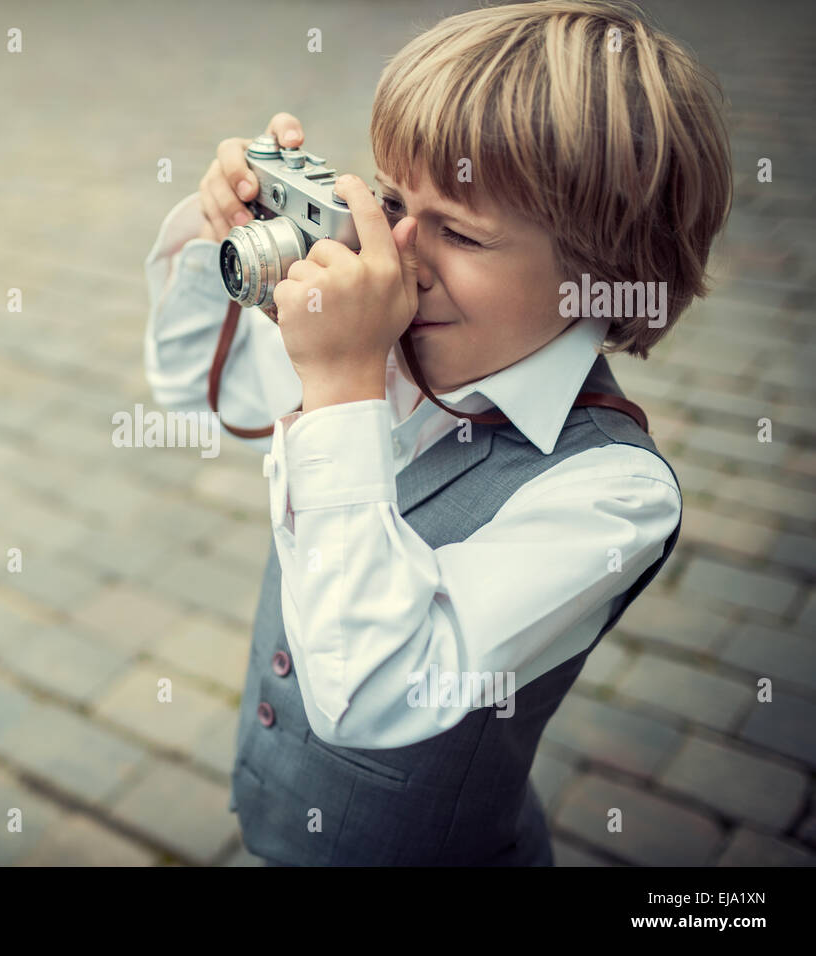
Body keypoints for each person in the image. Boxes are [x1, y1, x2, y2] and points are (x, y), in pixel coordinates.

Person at [142, 0, 731, 865]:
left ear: (605, 274)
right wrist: (217, 237)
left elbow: (374, 688)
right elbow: (192, 387)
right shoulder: (377, 345)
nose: (402, 256)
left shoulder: (613, 495)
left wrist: (340, 387)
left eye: (460, 232)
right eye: (388, 202)